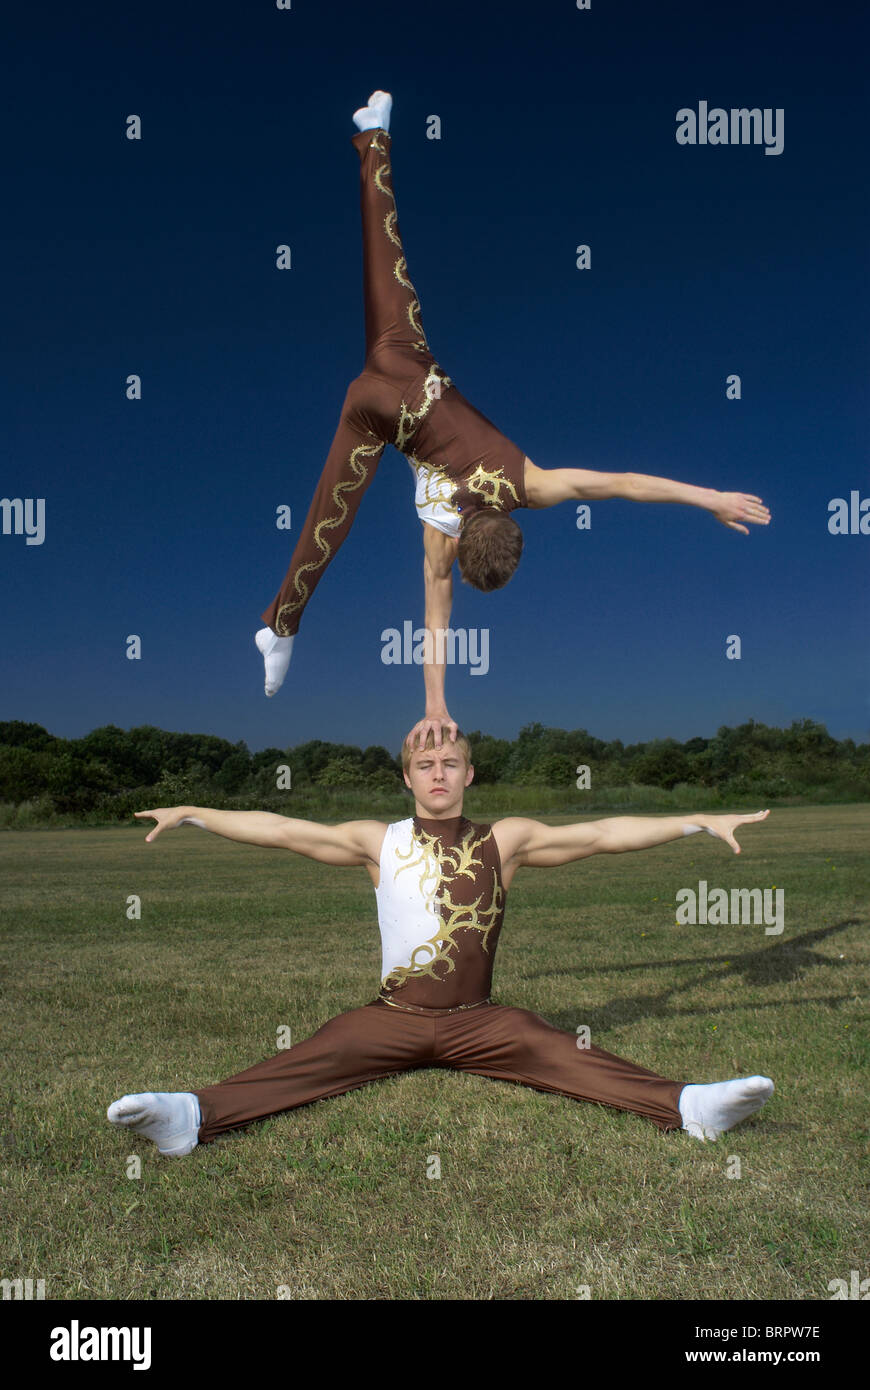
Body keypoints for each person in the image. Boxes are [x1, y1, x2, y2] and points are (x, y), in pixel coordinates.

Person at [256, 89, 771, 741]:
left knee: (385, 252)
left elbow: (624, 485)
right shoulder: (441, 538)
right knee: (325, 527)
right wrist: (435, 706)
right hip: (372, 415)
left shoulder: (531, 485)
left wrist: (710, 498)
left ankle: (375, 135)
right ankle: (280, 626)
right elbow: (434, 628)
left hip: (404, 357)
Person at [107, 726, 774, 1157]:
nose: (437, 773)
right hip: (391, 1019)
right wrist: (193, 812)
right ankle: (191, 1117)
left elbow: (603, 833)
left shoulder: (503, 841)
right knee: (319, 1052)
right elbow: (281, 828)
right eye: (424, 764)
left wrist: (697, 821)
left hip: (477, 1021)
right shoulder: (378, 841)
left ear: (469, 775)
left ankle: (688, 1107)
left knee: (558, 1049)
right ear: (406, 777)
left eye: (450, 763)